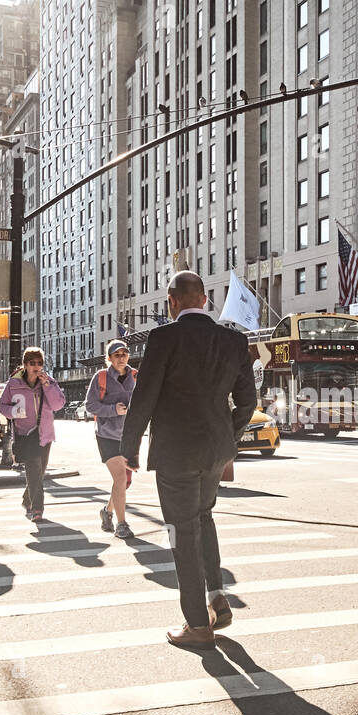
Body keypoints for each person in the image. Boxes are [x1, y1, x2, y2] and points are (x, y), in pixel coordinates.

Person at [121, 270, 256, 650]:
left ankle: (197, 624)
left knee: (180, 533)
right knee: (204, 518)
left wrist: (129, 447)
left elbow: (144, 396)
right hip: (216, 450)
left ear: (172, 301)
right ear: (205, 301)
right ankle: (216, 597)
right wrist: (228, 435)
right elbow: (248, 402)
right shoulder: (233, 340)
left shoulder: (164, 337)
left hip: (175, 452)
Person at [0, 347, 66, 522]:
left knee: (40, 472)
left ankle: (27, 499)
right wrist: (14, 411)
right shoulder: (14, 383)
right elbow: (2, 406)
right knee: (34, 472)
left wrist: (47, 386)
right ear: (25, 365)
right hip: (25, 434)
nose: (36, 366)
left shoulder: (48, 381)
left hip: (44, 434)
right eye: (32, 363)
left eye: (39, 363)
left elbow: (58, 404)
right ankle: (37, 510)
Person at [86, 340, 137, 538]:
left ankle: (107, 511)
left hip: (130, 436)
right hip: (107, 435)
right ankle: (121, 524)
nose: (121, 357)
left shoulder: (135, 376)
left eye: (124, 354)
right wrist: (112, 410)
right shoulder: (101, 377)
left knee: (124, 482)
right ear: (109, 358)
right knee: (120, 478)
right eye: (117, 355)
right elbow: (90, 405)